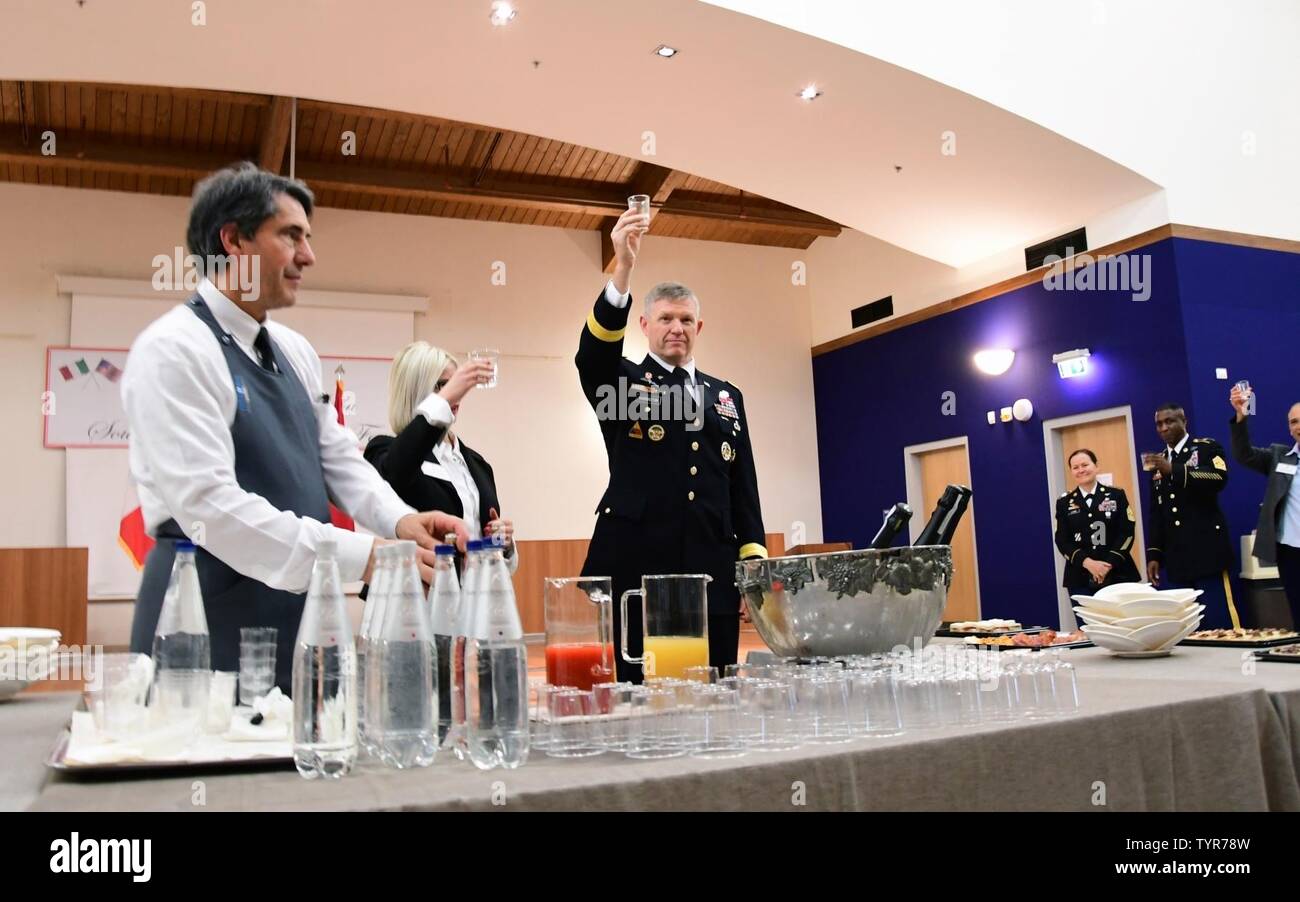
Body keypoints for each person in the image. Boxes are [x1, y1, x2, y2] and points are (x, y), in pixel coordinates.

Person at [122, 163, 467, 692]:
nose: (309, 255)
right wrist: (366, 556)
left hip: (302, 611)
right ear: (233, 240)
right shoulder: (173, 350)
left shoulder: (294, 351)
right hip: (202, 613)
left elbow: (337, 459)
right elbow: (209, 507)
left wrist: (400, 521)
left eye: (307, 237)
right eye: (291, 235)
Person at [575, 207, 767, 682]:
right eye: (664, 318)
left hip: (712, 568)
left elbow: (743, 488)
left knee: (717, 686)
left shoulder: (727, 396)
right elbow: (593, 355)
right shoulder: (622, 384)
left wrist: (753, 569)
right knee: (644, 687)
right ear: (644, 324)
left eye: (685, 319)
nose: (675, 327)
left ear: (698, 328)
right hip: (640, 565)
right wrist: (623, 268)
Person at [364, 341, 517, 569]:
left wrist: (504, 543)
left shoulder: (476, 463)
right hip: (419, 593)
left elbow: (488, 544)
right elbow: (396, 473)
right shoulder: (383, 450)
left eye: (454, 384)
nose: (457, 394)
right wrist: (443, 400)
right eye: (441, 386)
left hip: (475, 593)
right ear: (415, 389)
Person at [1142, 402, 1239, 629]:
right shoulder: (1157, 461)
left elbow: (1218, 478)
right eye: (1159, 424)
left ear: (1184, 422)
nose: (1163, 428)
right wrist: (1154, 553)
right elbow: (1157, 511)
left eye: (1169, 421)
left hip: (1207, 549)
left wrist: (1174, 470)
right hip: (1176, 555)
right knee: (1184, 625)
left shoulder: (1206, 448)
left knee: (1217, 621)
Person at [1228, 385, 1300, 626]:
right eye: (1293, 422)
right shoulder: (1280, 456)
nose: (1298, 426)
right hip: (1291, 552)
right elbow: (1244, 455)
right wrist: (1241, 416)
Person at [1054, 449, 1141, 592]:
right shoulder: (1064, 502)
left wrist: (1107, 565)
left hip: (1118, 573)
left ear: (1096, 466)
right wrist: (1088, 563)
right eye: (1075, 467)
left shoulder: (1116, 495)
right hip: (1080, 576)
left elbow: (1127, 532)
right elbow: (1062, 540)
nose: (1081, 470)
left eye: (1085, 465)